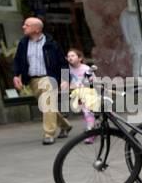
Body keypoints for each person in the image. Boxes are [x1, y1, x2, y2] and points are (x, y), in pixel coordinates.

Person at [12, 16, 70, 144]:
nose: (23, 27)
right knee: (47, 105)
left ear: (37, 29)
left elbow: (63, 63)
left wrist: (65, 79)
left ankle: (49, 133)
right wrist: (16, 75)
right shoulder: (23, 43)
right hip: (33, 80)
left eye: (27, 25)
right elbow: (18, 61)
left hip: (49, 78)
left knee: (47, 103)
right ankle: (65, 125)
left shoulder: (51, 44)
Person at [65, 48, 98, 138]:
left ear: (80, 58)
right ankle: (93, 126)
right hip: (76, 94)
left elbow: (93, 82)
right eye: (68, 56)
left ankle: (91, 132)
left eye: (72, 55)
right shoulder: (67, 69)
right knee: (86, 112)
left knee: (87, 111)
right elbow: (65, 83)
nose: (70, 58)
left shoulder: (86, 68)